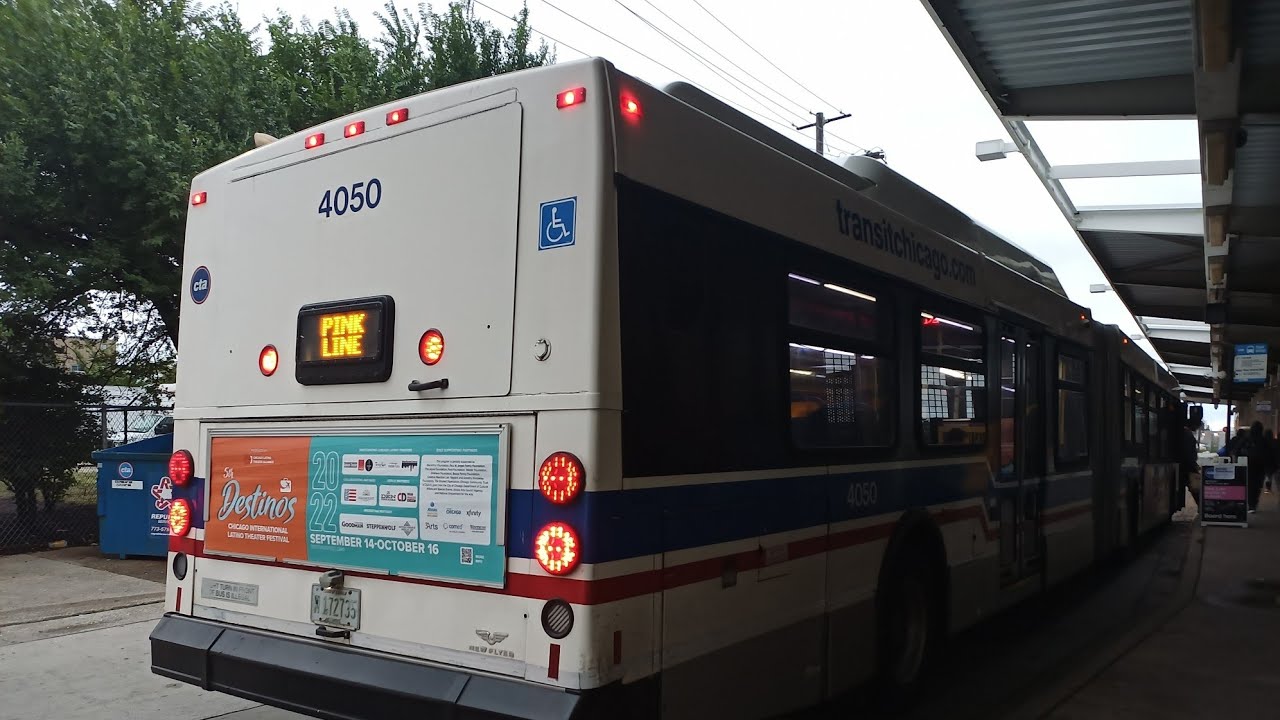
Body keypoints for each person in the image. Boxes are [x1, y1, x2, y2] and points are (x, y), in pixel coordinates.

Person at [1246, 421, 1267, 512]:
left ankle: (1251, 504)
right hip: (1261, 466)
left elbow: (1237, 448)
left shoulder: (1247, 438)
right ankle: (1254, 503)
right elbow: (1268, 453)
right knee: (1257, 485)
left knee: (1250, 484)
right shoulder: (1263, 440)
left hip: (1248, 464)